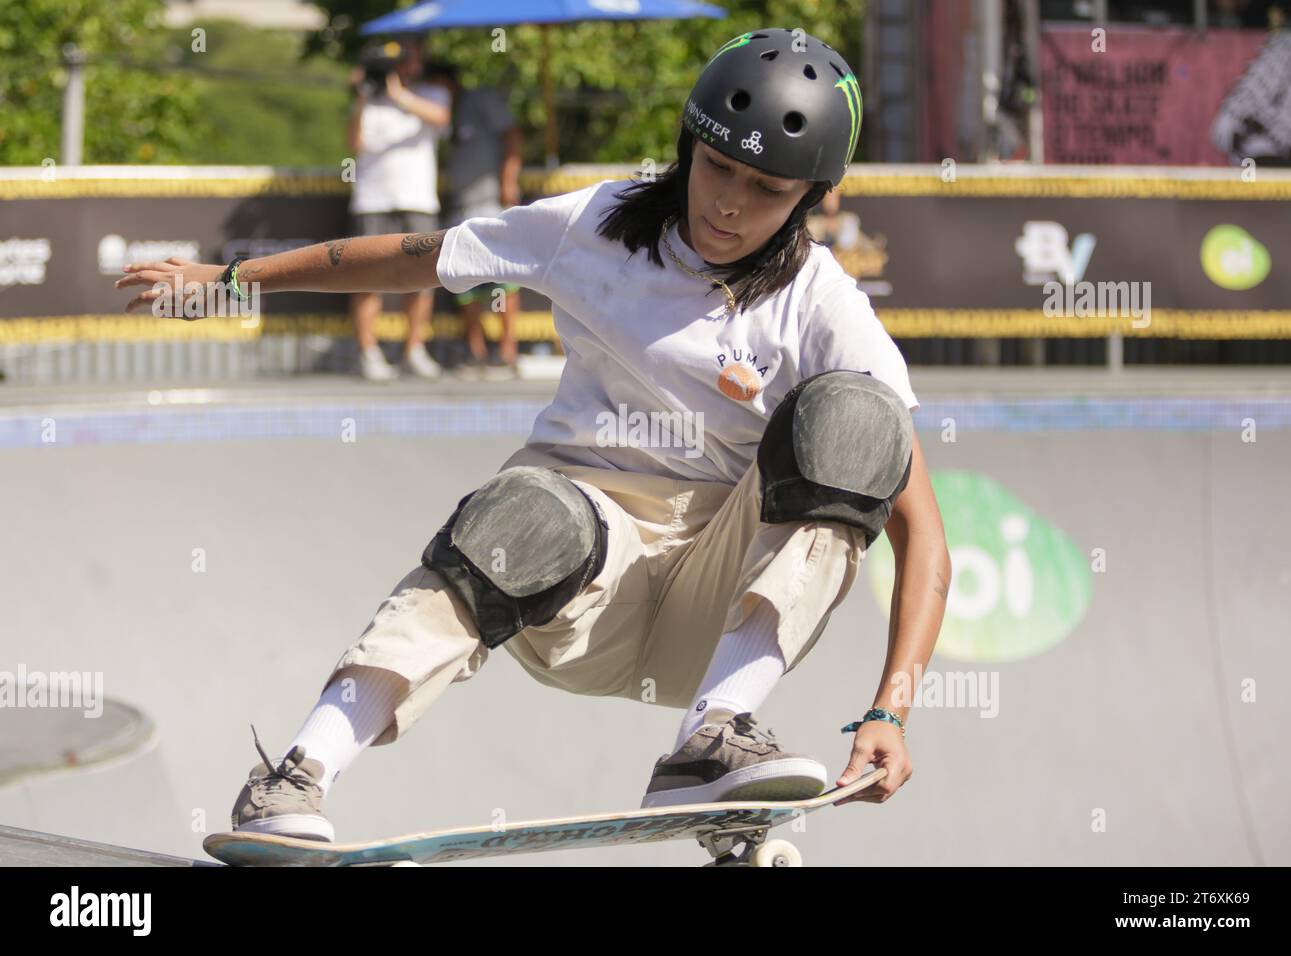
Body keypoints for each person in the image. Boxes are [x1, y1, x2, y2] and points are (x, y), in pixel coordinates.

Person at [118, 28, 951, 843]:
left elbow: (926, 539)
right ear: (688, 146)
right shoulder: (595, 223)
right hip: (580, 587)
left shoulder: (824, 305)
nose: (729, 203)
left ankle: (714, 734)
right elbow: (416, 255)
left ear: (810, 196)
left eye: (766, 188)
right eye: (718, 166)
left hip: (721, 593)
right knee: (531, 509)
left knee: (859, 414)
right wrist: (230, 278)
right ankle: (299, 774)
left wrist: (891, 709)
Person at [346, 38, 452, 381]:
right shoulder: (369, 102)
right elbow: (353, 143)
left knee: (422, 277)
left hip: (417, 198)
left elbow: (440, 118)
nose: (404, 68)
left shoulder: (431, 94)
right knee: (364, 278)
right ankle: (368, 352)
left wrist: (399, 95)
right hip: (372, 199)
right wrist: (364, 94)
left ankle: (414, 349)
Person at [428, 64, 525, 379]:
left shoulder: (480, 99)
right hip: (460, 206)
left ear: (447, 81)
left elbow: (512, 134)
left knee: (503, 277)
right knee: (463, 280)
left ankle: (508, 351)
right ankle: (476, 351)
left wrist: (508, 179)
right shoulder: (443, 113)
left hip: (491, 203)